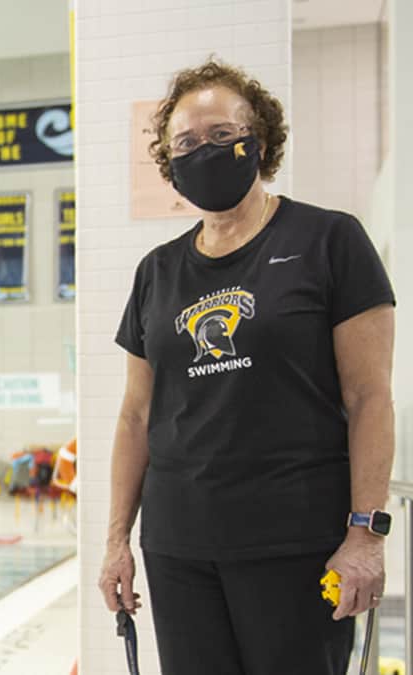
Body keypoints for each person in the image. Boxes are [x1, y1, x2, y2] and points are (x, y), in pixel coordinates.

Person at [99, 58, 396, 674]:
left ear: (259, 141)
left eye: (221, 135)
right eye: (185, 142)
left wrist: (365, 533)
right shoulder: (157, 271)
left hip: (296, 539)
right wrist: (115, 542)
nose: (202, 151)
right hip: (179, 545)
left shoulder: (330, 240)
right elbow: (135, 416)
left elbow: (370, 397)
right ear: (167, 160)